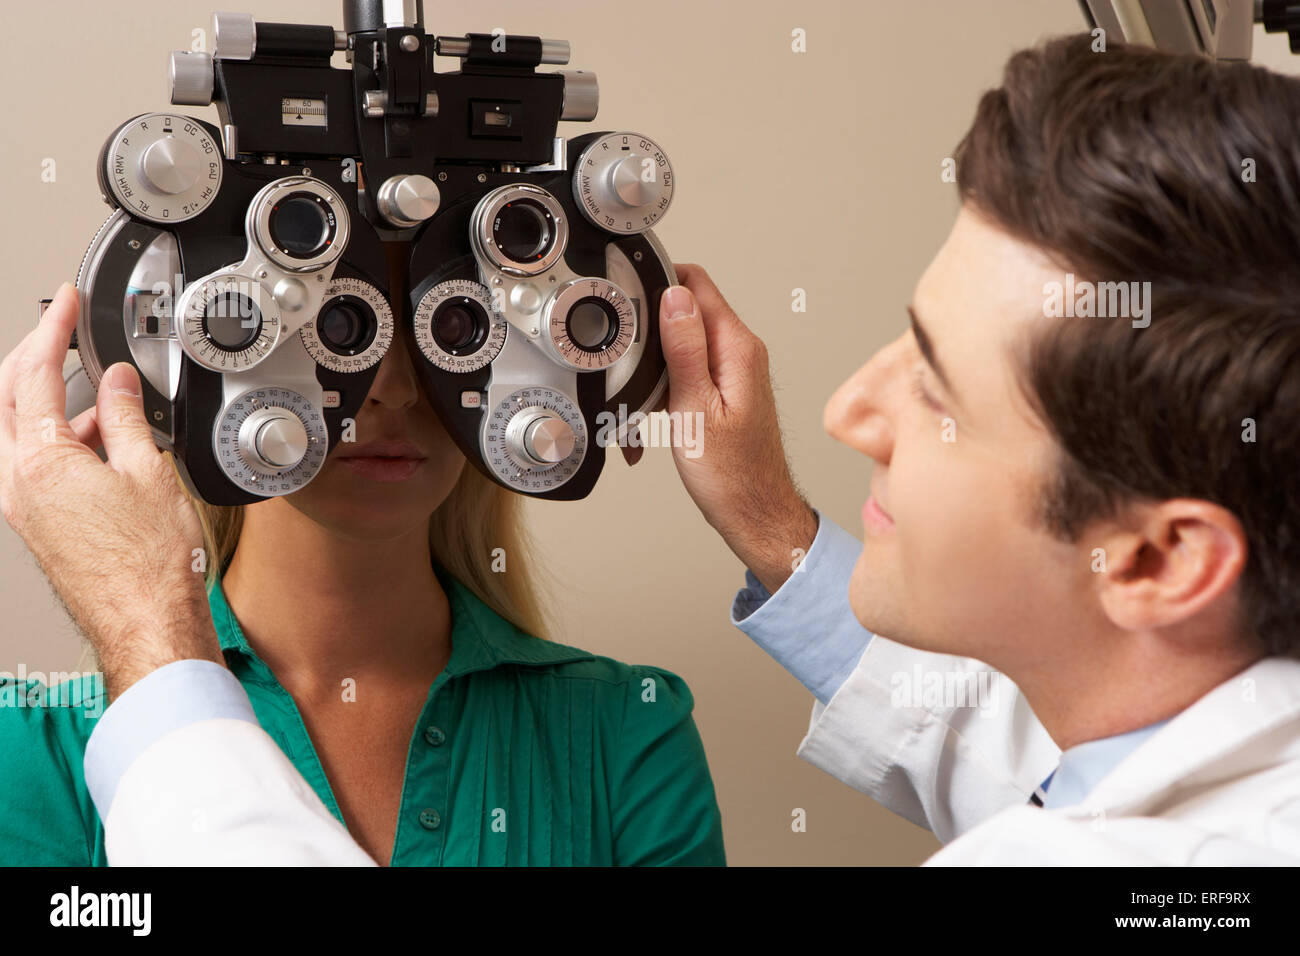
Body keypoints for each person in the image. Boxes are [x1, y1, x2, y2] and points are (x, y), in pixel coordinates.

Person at [6, 33, 1300, 866]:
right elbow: (1048, 774)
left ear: (1164, 558)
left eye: (941, 392)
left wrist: (152, 650)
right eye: (334, 332)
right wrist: (779, 535)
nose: (847, 408)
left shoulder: (621, 735)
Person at [0, 240, 725, 867]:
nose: (394, 390)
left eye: (451, 329)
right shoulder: (42, 749)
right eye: (334, 326)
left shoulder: (625, 729)